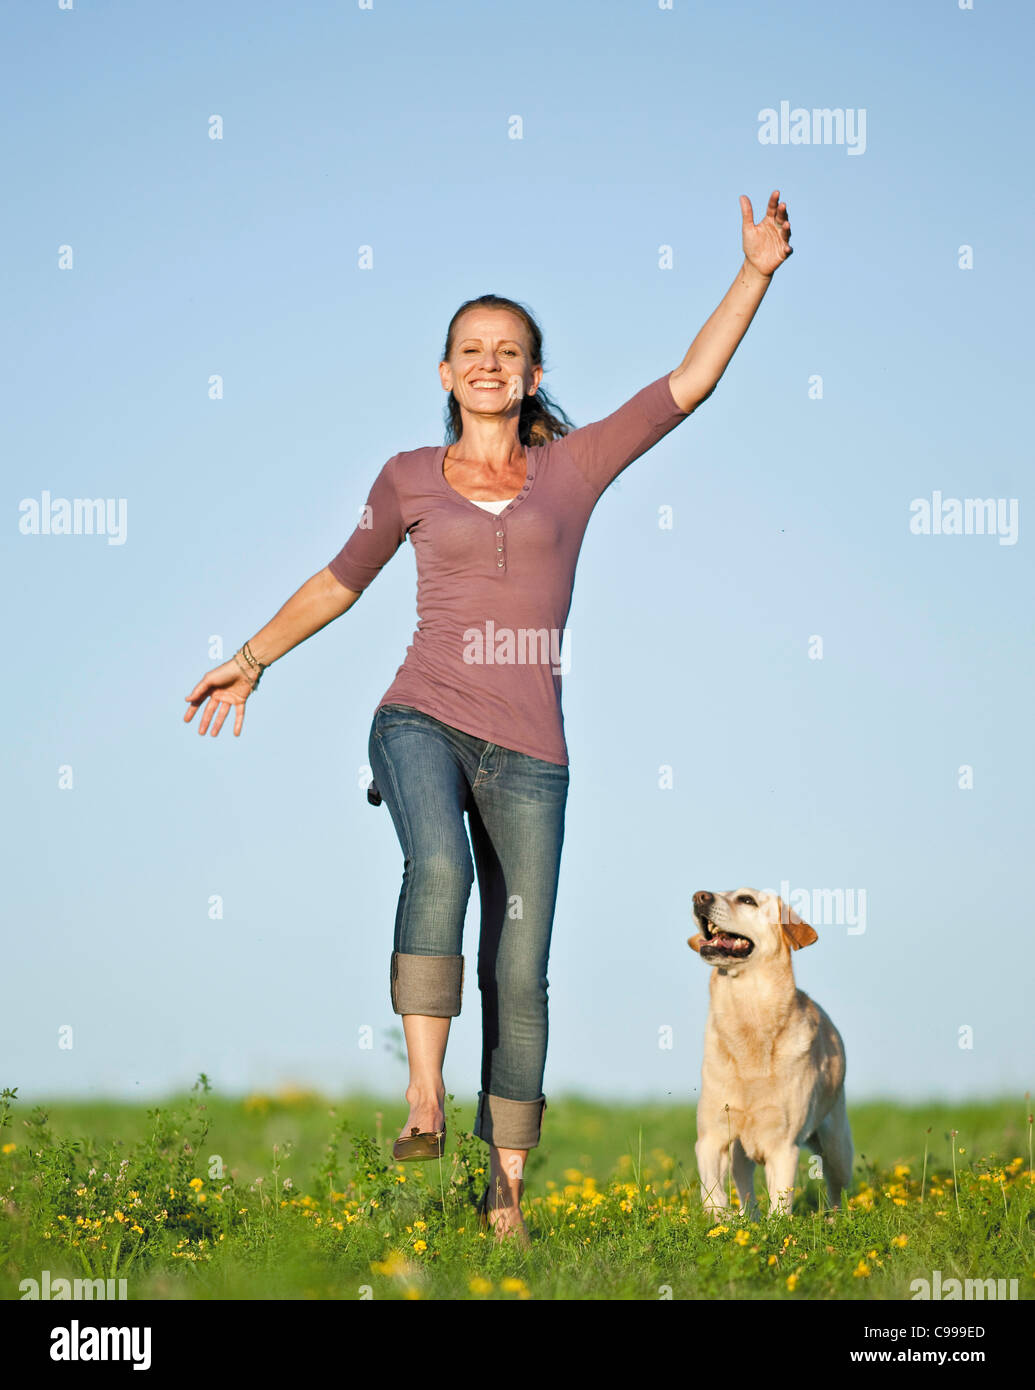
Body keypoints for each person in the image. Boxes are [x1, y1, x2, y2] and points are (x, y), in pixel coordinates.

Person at [184, 190, 793, 1244]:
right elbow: (340, 580)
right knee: (442, 872)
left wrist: (754, 273)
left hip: (534, 756)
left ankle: (504, 1195)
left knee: (521, 968)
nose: (489, 361)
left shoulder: (574, 468)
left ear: (533, 374)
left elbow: (685, 387)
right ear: (444, 372)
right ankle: (424, 1099)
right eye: (470, 347)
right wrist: (250, 661)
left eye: (509, 350)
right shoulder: (409, 478)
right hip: (421, 717)